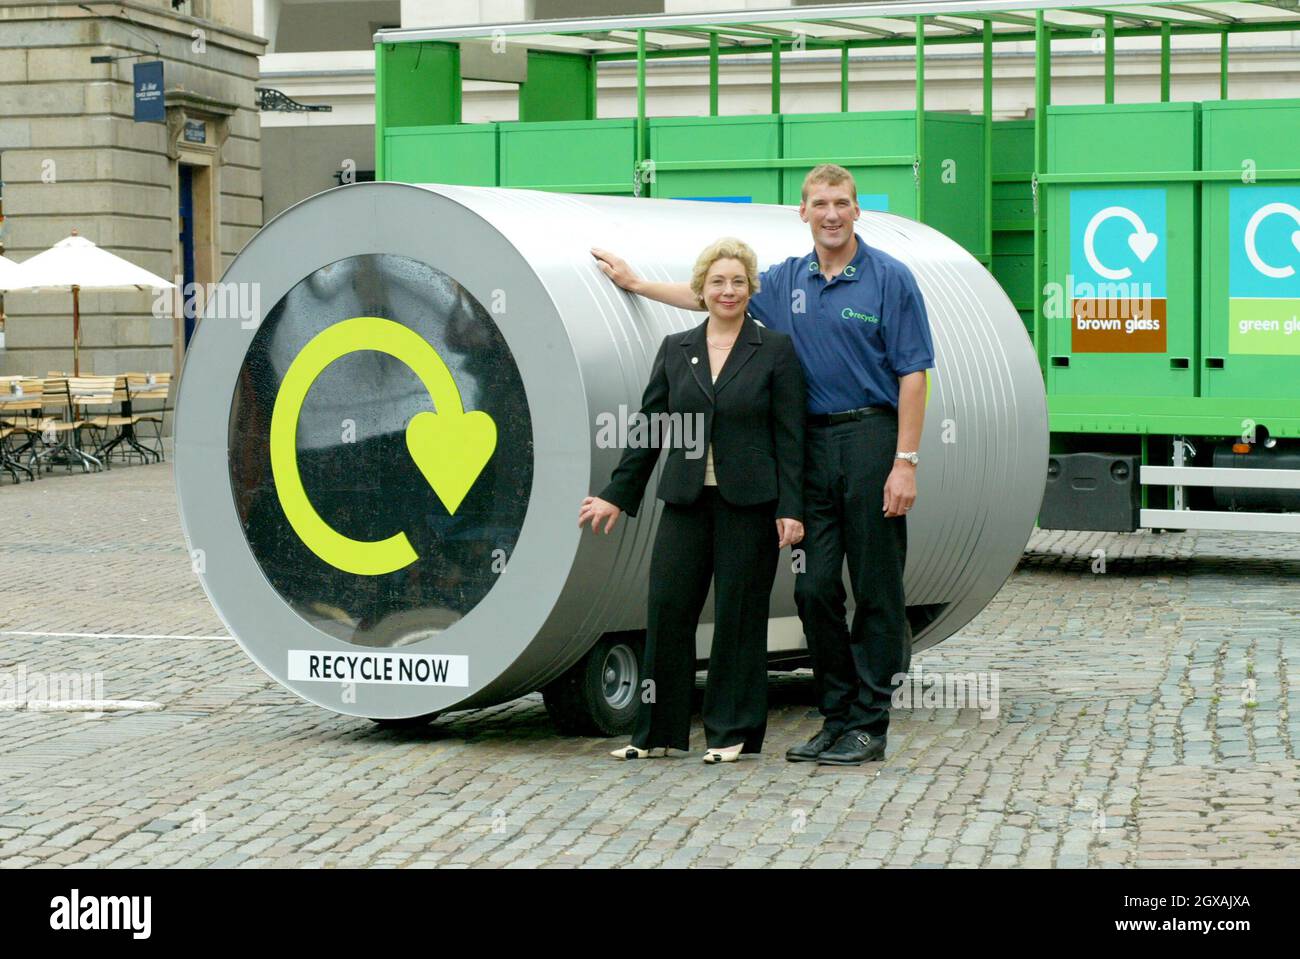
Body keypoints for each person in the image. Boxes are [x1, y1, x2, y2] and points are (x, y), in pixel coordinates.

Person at [591, 163, 933, 766]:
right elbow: (717, 298)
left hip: (871, 438)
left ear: (857, 210)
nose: (831, 214)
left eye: (842, 203)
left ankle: (869, 724)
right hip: (810, 447)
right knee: (814, 586)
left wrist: (904, 460)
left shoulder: (890, 279)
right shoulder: (785, 280)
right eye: (820, 204)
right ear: (802, 212)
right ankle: (835, 716)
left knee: (877, 587)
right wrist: (639, 285)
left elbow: (912, 374)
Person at [579, 237, 806, 764]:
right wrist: (617, 495)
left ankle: (732, 734)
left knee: (738, 616)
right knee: (668, 608)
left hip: (750, 505)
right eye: (718, 281)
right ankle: (655, 733)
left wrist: (791, 508)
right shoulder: (676, 349)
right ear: (701, 289)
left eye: (738, 282)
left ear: (751, 290)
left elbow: (791, 438)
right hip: (685, 501)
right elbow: (650, 427)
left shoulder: (775, 350)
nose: (728, 291)